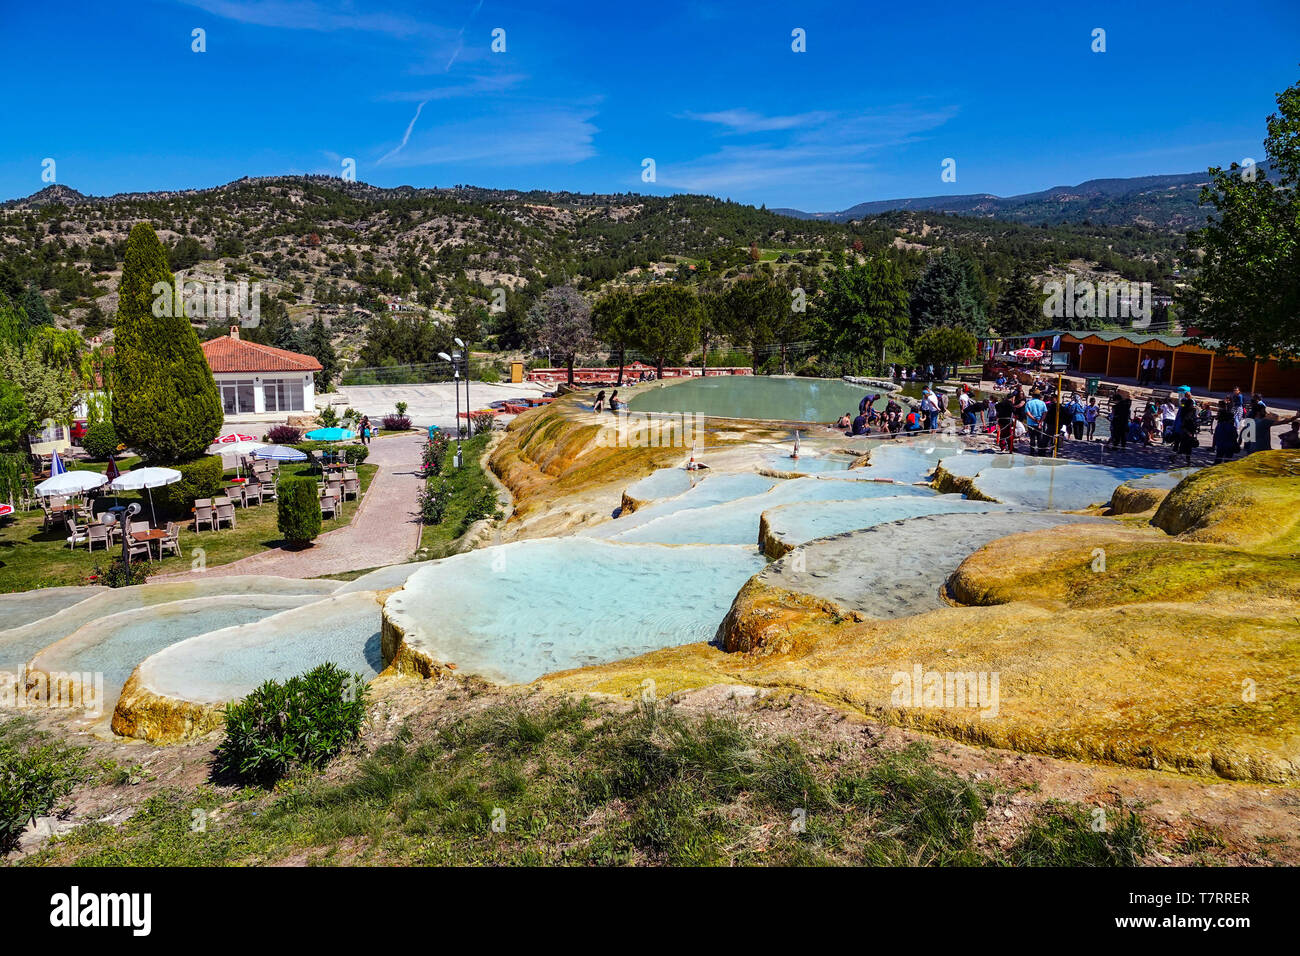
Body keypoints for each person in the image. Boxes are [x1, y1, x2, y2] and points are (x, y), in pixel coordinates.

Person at [1170, 395, 1199, 466]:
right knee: (1184, 447)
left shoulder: (1190, 411)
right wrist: (1188, 432)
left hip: (1189, 431)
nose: (1193, 405)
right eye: (1192, 404)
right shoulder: (1187, 412)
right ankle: (1175, 457)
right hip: (1186, 432)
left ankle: (1186, 461)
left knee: (1187, 448)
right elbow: (1184, 424)